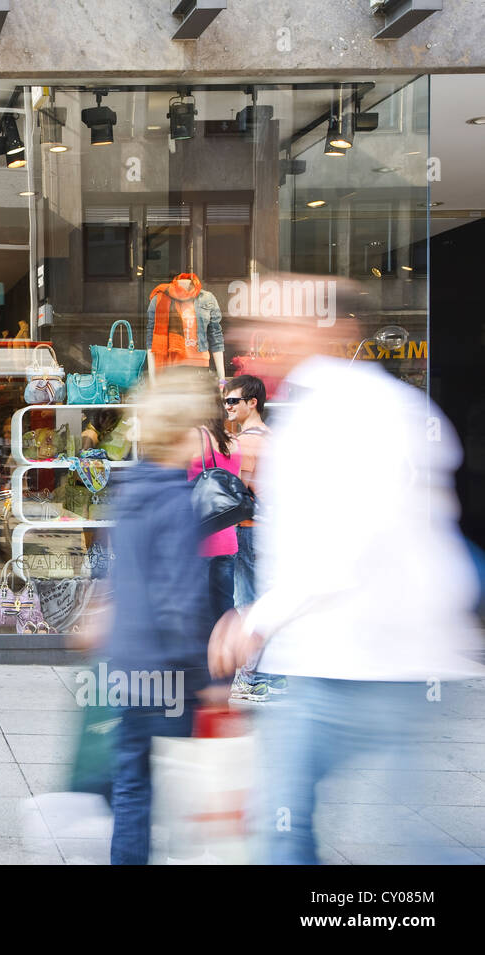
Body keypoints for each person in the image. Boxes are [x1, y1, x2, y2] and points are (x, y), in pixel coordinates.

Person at [208, 273, 483, 864]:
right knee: (294, 826)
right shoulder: (346, 403)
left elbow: (353, 538)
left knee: (307, 833)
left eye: (283, 318)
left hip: (364, 659)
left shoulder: (351, 411)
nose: (263, 331)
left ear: (332, 327)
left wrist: (258, 618)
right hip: (347, 656)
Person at [102, 369, 221, 865]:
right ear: (186, 431)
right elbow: (178, 602)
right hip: (168, 677)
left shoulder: (129, 489)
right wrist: (207, 678)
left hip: (127, 666)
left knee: (133, 789)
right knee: (195, 797)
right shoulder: (176, 500)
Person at [222, 374, 280, 700]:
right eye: (225, 401)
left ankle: (251, 677)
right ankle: (271, 674)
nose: (227, 406)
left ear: (252, 402)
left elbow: (239, 490)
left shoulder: (248, 442)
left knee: (246, 604)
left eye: (233, 401)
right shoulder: (270, 436)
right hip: (267, 528)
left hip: (247, 529)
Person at [186, 380, 240, 623]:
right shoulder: (233, 442)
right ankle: (225, 660)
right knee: (224, 611)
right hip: (228, 540)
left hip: (200, 538)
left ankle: (201, 660)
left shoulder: (193, 438)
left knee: (196, 614)